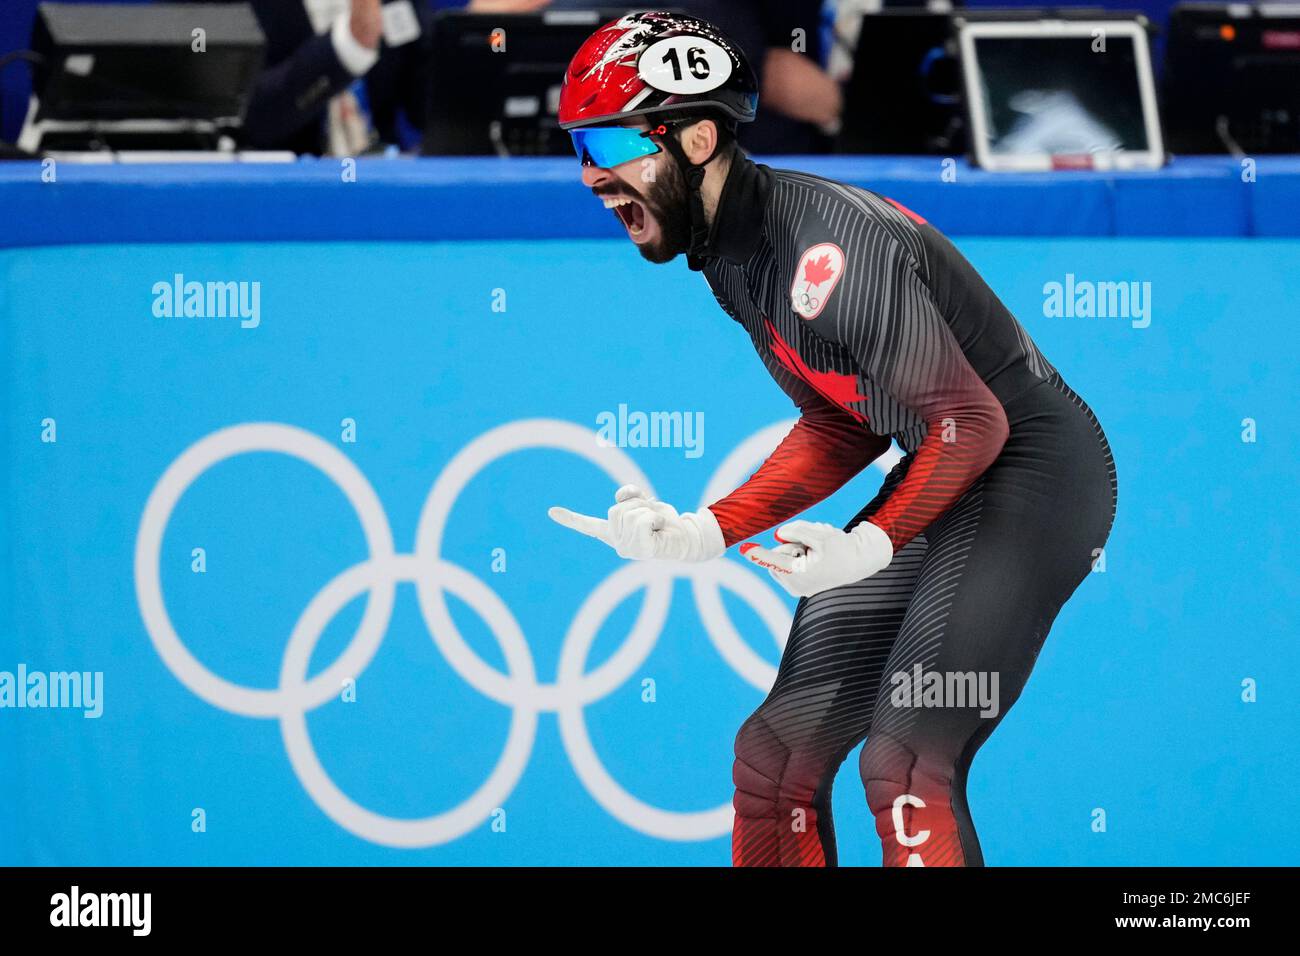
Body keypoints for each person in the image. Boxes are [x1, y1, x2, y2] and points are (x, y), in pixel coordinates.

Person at [546, 12, 1117, 867]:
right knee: (774, 759)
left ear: (698, 137)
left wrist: (874, 542)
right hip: (953, 463)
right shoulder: (730, 254)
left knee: (906, 762)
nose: (593, 178)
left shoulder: (827, 249)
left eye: (610, 147)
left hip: (1034, 474)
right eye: (580, 152)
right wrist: (708, 529)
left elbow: (975, 421)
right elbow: (843, 420)